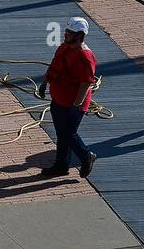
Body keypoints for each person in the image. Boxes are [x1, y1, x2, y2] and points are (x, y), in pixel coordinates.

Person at [37, 17, 98, 179]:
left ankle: (86, 157)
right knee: (62, 135)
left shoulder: (85, 57)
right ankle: (61, 166)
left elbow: (86, 83)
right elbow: (53, 66)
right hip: (58, 100)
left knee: (68, 134)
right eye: (66, 32)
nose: (65, 35)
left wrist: (76, 105)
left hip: (73, 104)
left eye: (69, 33)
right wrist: (44, 83)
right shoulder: (64, 47)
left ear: (79, 35)